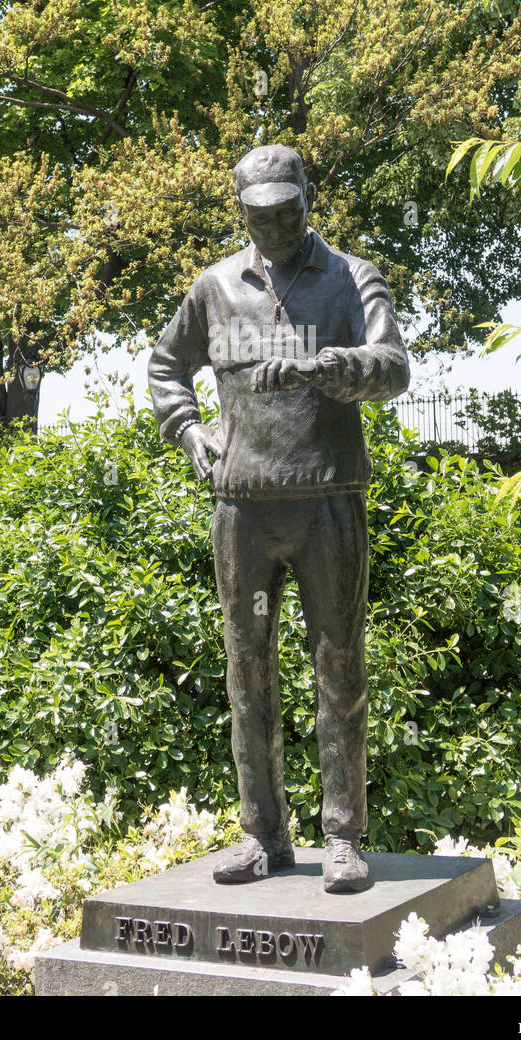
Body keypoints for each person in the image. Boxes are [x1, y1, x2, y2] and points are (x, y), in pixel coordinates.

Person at [148, 144, 409, 892]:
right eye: (260, 218)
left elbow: (394, 364)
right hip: (243, 510)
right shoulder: (215, 287)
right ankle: (263, 835)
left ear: (307, 200)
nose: (276, 228)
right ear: (242, 213)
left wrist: (341, 368)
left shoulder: (350, 277)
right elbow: (167, 366)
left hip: (328, 501)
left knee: (340, 668)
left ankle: (342, 836)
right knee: (247, 671)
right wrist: (189, 430)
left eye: (288, 213)